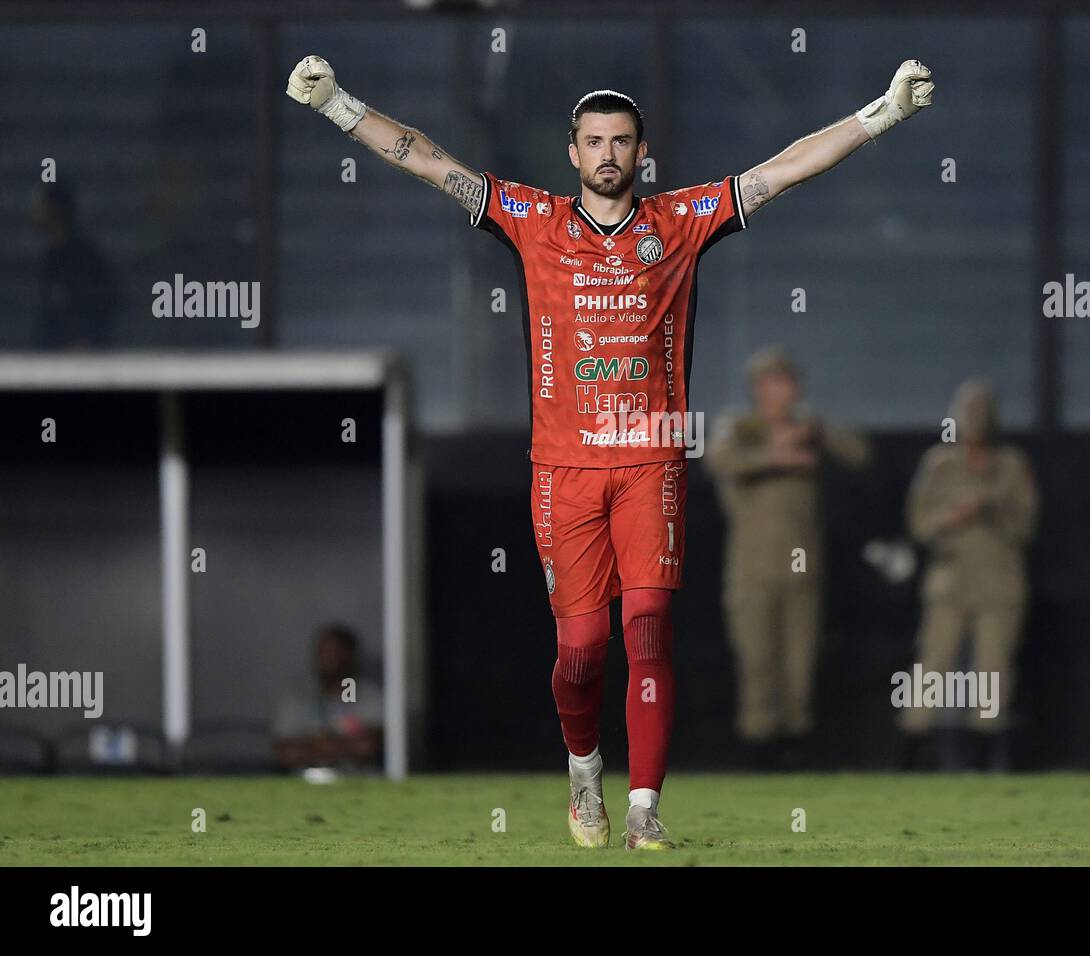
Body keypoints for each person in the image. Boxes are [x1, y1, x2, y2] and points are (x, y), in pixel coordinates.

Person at [285, 54, 934, 848]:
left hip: (652, 463)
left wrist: (883, 114)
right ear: (573, 153)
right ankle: (585, 771)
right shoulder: (532, 220)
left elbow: (785, 169)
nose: (607, 155)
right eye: (593, 141)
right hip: (563, 472)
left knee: (651, 625)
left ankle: (644, 811)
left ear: (641, 150)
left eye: (621, 141)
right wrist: (339, 106)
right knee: (582, 653)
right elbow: (428, 158)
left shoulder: (682, 222)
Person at [708, 346, 870, 768]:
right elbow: (719, 459)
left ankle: (796, 743)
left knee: (800, 660)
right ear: (759, 387)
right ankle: (758, 747)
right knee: (757, 660)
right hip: (752, 567)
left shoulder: (809, 426)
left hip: (802, 566)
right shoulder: (740, 426)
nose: (784, 390)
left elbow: (859, 454)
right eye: (774, 381)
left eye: (788, 381)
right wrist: (774, 453)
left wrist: (814, 431)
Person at [901, 379, 1038, 771]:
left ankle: (985, 754)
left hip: (999, 582)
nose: (974, 420)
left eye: (982, 412)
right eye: (968, 411)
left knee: (992, 671)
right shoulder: (940, 464)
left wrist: (991, 505)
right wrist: (953, 515)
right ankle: (911, 752)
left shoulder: (1010, 465)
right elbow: (920, 524)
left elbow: (1026, 527)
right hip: (950, 581)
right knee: (931, 666)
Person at [272, 624, 383, 772]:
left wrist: (314, 747)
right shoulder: (299, 696)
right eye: (322, 652)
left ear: (349, 655)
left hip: (357, 781)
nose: (327, 659)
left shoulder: (368, 696)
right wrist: (341, 747)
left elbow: (368, 747)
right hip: (305, 784)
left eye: (334, 652)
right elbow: (286, 753)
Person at [31, 181, 121, 349]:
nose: (34, 211)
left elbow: (109, 299)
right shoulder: (50, 257)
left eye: (40, 205)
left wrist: (85, 338)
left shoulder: (84, 257)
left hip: (79, 360)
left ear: (55, 208)